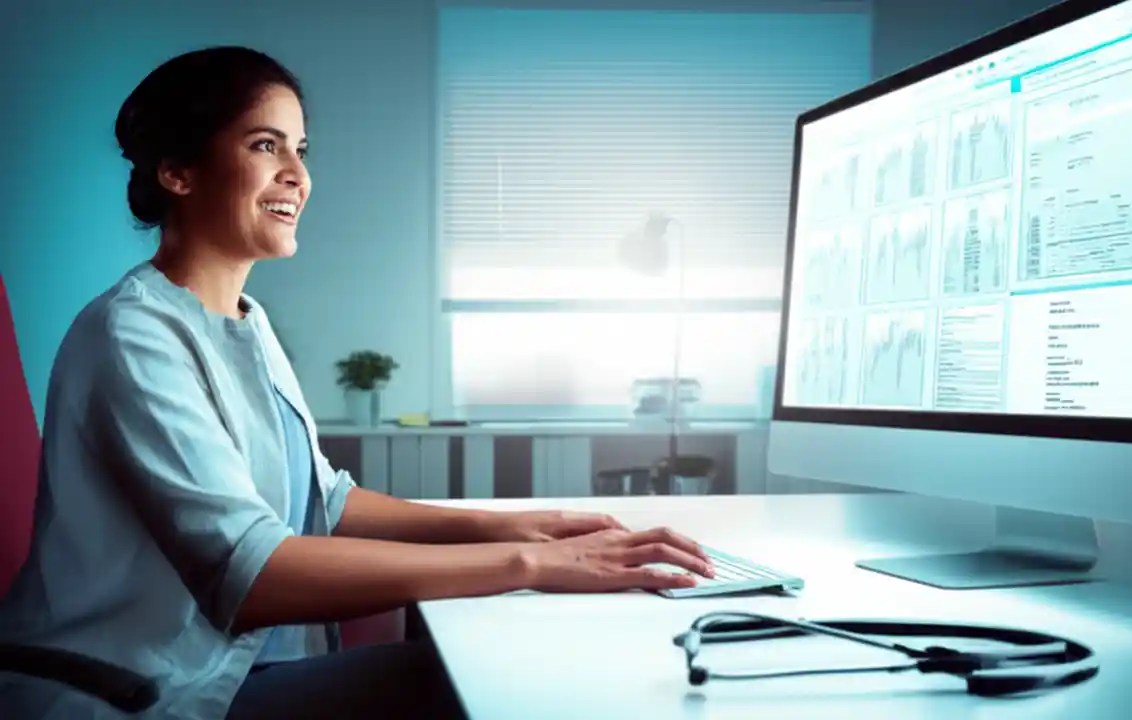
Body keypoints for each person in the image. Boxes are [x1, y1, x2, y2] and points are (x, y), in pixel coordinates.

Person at [0, 46, 713, 719]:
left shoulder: (245, 319)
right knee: (493, 680)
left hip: (237, 668)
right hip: (146, 690)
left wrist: (506, 526)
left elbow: (323, 500)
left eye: (300, 150)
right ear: (177, 171)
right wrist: (532, 562)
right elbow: (252, 573)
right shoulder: (132, 335)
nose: (297, 175)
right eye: (264, 145)